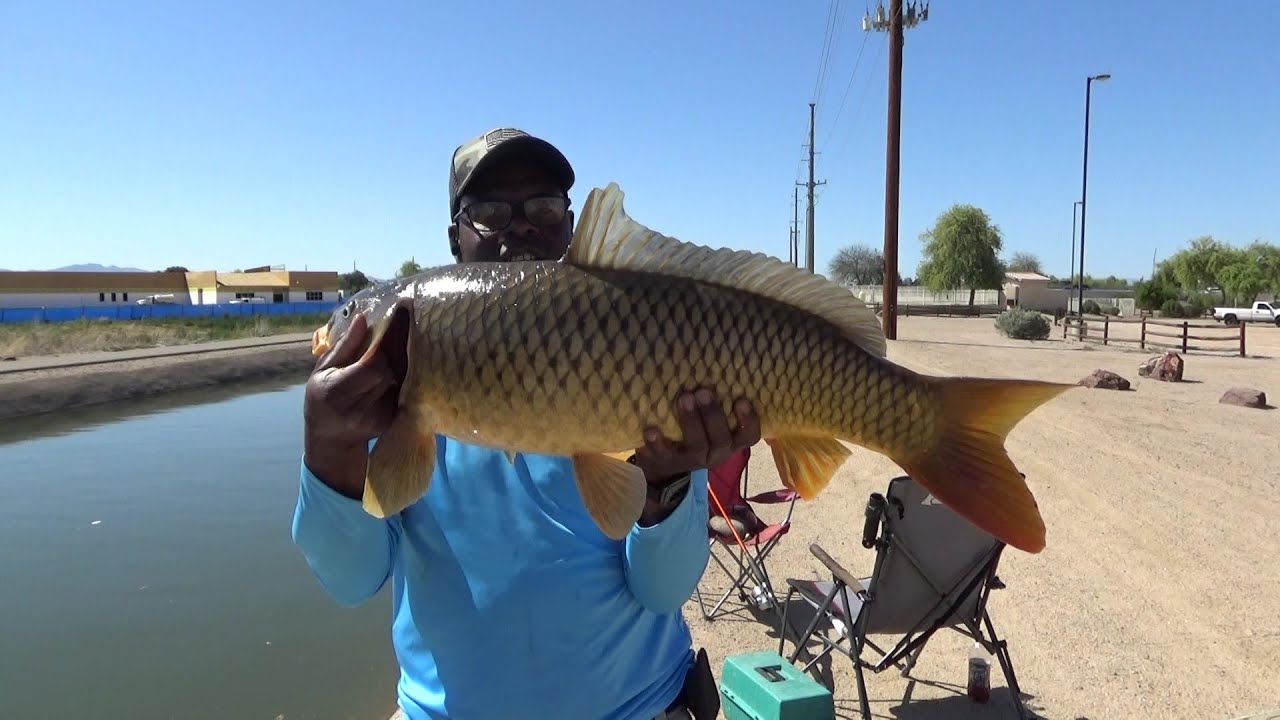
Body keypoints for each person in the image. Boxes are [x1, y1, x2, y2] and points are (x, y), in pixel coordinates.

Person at [292, 127, 761, 720]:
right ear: (455, 240)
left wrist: (665, 481)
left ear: (569, 226)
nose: (520, 228)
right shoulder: (383, 399)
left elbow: (664, 591)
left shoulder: (642, 350)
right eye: (488, 214)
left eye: (543, 208)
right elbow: (350, 581)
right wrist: (327, 450)